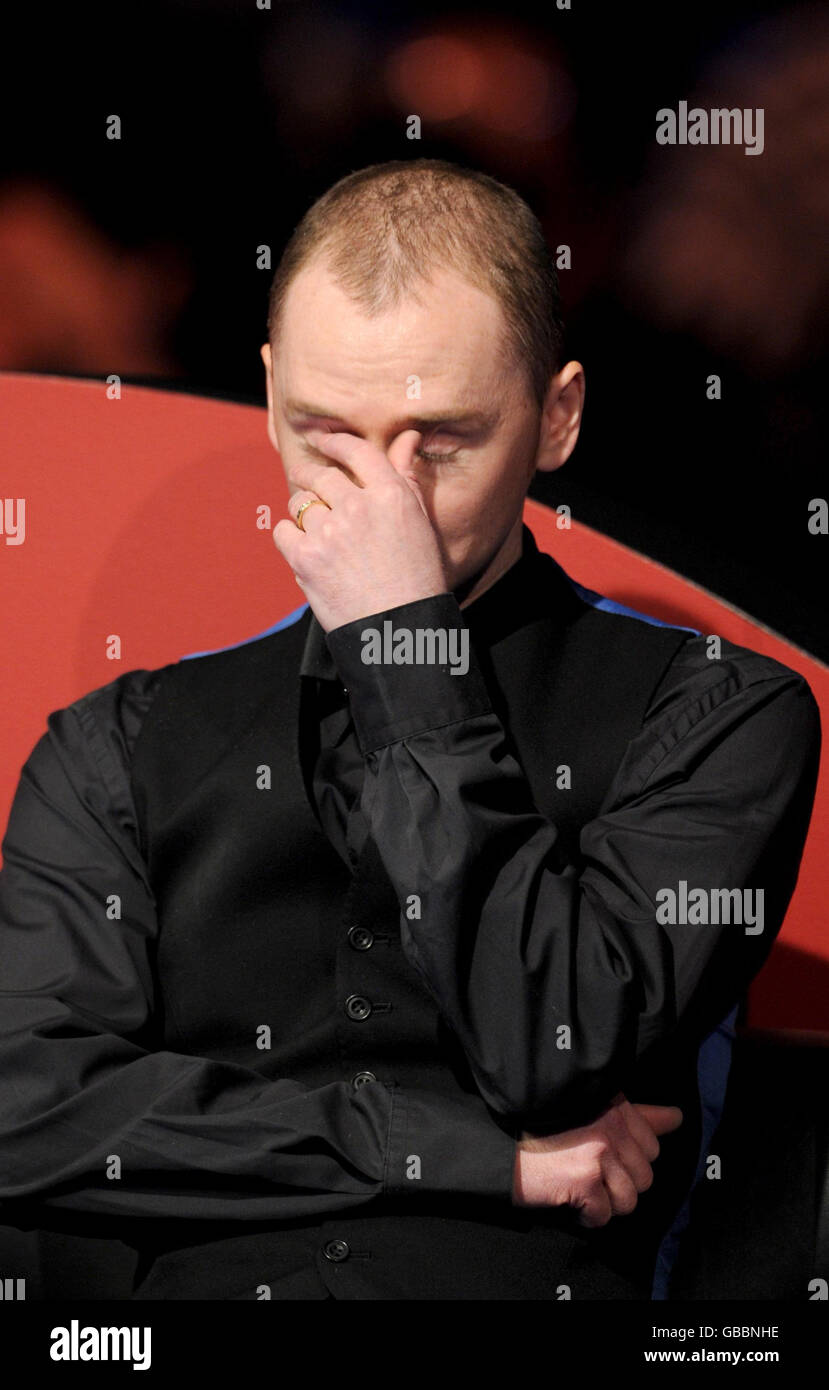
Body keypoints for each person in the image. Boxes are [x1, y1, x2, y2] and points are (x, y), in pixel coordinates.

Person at [0, 159, 820, 1301]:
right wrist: (473, 1156)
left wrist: (403, 648)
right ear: (271, 392)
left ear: (558, 418)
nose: (383, 498)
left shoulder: (718, 717)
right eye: (326, 433)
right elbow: (26, 1112)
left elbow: (555, 1046)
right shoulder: (115, 744)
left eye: (439, 443)